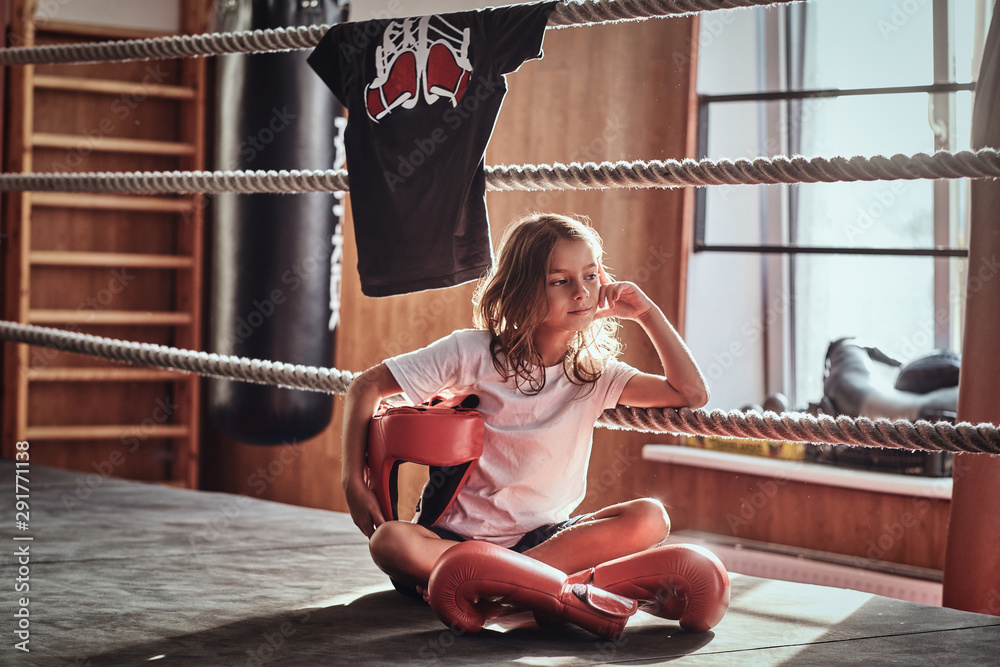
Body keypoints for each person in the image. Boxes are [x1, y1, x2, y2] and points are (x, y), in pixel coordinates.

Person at [341, 212, 710, 594]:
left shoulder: (595, 374)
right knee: (389, 542)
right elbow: (365, 386)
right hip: (453, 543)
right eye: (560, 281)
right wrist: (353, 481)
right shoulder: (472, 351)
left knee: (650, 517)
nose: (581, 292)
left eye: (589, 276)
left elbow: (691, 393)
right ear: (521, 288)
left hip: (545, 543)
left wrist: (647, 313)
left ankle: (503, 583)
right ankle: (522, 586)